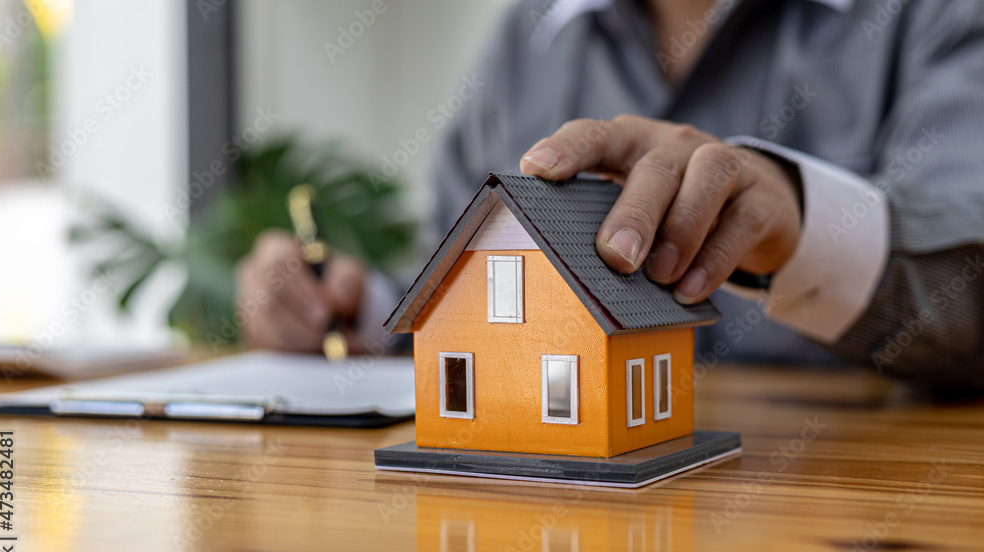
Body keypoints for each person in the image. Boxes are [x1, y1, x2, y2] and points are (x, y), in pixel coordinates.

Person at [236, 0, 984, 388]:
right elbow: (478, 285)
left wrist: (798, 225)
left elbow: (970, 294)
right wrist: (353, 311)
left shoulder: (937, 18)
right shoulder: (527, 38)